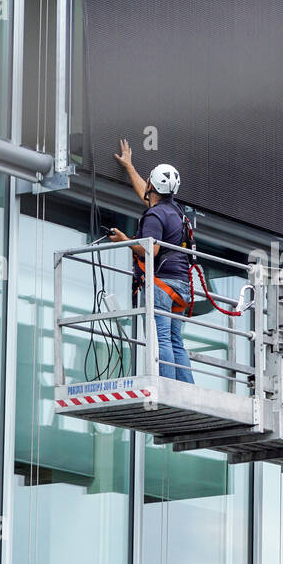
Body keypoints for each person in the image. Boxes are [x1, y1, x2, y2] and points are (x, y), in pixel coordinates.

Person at [109, 139, 195, 384]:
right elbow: (146, 195)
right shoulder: (176, 212)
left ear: (152, 185)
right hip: (181, 286)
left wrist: (125, 241)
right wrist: (129, 167)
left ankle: (166, 386)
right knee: (175, 340)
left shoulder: (155, 215)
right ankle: (185, 388)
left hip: (162, 285)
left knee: (161, 339)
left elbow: (151, 250)